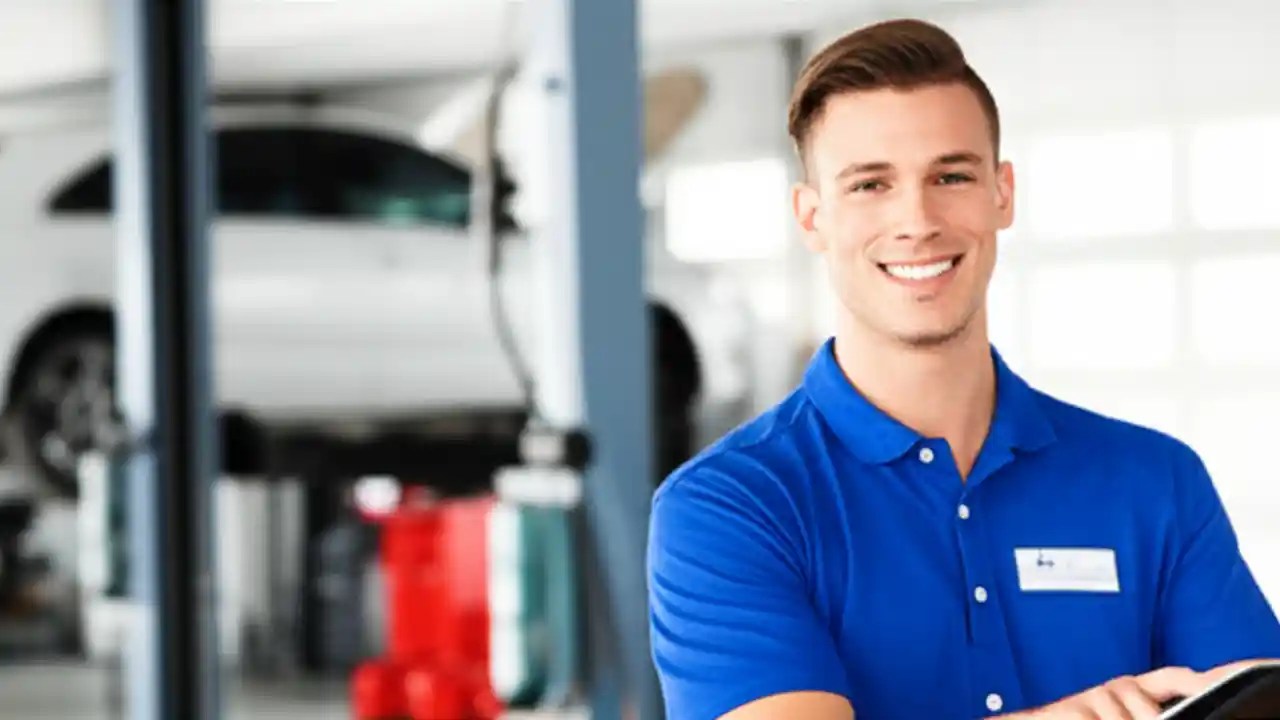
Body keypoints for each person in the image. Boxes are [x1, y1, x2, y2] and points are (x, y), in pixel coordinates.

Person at [645, 17, 1280, 720]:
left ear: (1001, 194)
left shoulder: (1157, 482)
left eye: (951, 175)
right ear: (812, 217)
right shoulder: (733, 508)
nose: (917, 219)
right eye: (870, 186)